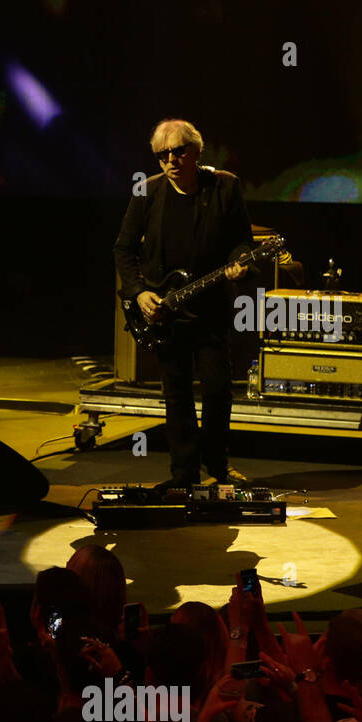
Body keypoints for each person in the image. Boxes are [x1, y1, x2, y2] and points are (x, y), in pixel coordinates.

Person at [113, 118, 256, 489]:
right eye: (162, 155)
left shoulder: (225, 186)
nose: (170, 160)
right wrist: (139, 292)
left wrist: (240, 261)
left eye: (178, 151)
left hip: (209, 310)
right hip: (164, 312)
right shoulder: (147, 192)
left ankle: (218, 466)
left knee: (217, 389)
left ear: (196, 151)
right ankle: (184, 474)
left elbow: (242, 240)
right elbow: (124, 249)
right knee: (176, 395)